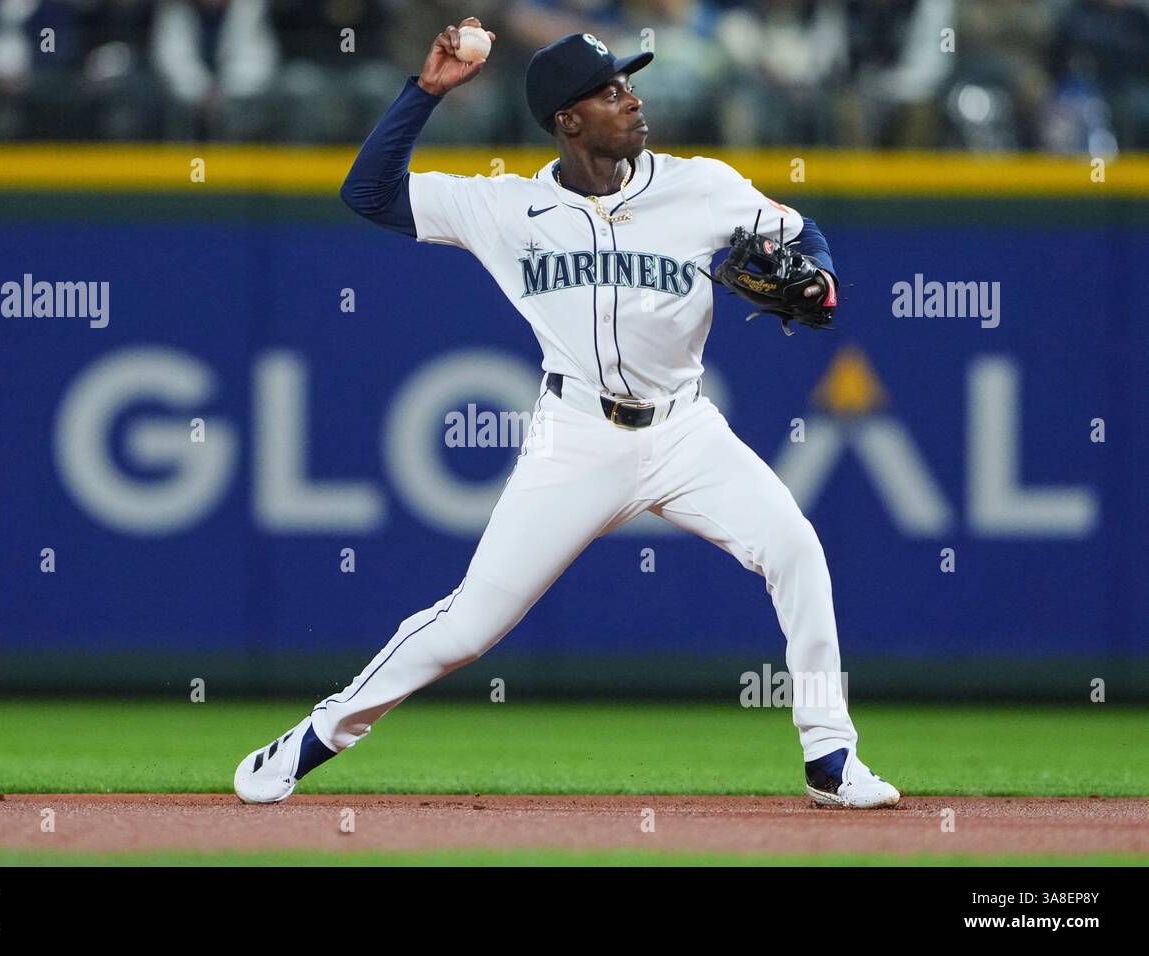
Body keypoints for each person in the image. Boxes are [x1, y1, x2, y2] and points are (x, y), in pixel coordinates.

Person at [233, 19, 900, 809]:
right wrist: (427, 92)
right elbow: (368, 193)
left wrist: (818, 278)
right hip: (576, 436)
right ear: (569, 120)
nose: (634, 99)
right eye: (612, 91)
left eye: (629, 84)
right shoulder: (504, 209)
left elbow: (802, 236)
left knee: (795, 548)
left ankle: (829, 757)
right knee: (468, 627)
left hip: (688, 429)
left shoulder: (704, 186)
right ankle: (311, 739)